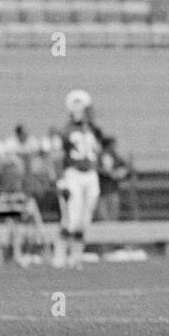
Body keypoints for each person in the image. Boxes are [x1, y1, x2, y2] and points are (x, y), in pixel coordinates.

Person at [54, 89, 103, 268]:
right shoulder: (66, 130)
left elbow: (97, 148)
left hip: (91, 174)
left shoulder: (92, 129)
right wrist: (60, 178)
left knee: (85, 219)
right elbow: (58, 156)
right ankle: (60, 254)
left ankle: (76, 256)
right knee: (72, 218)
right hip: (73, 173)